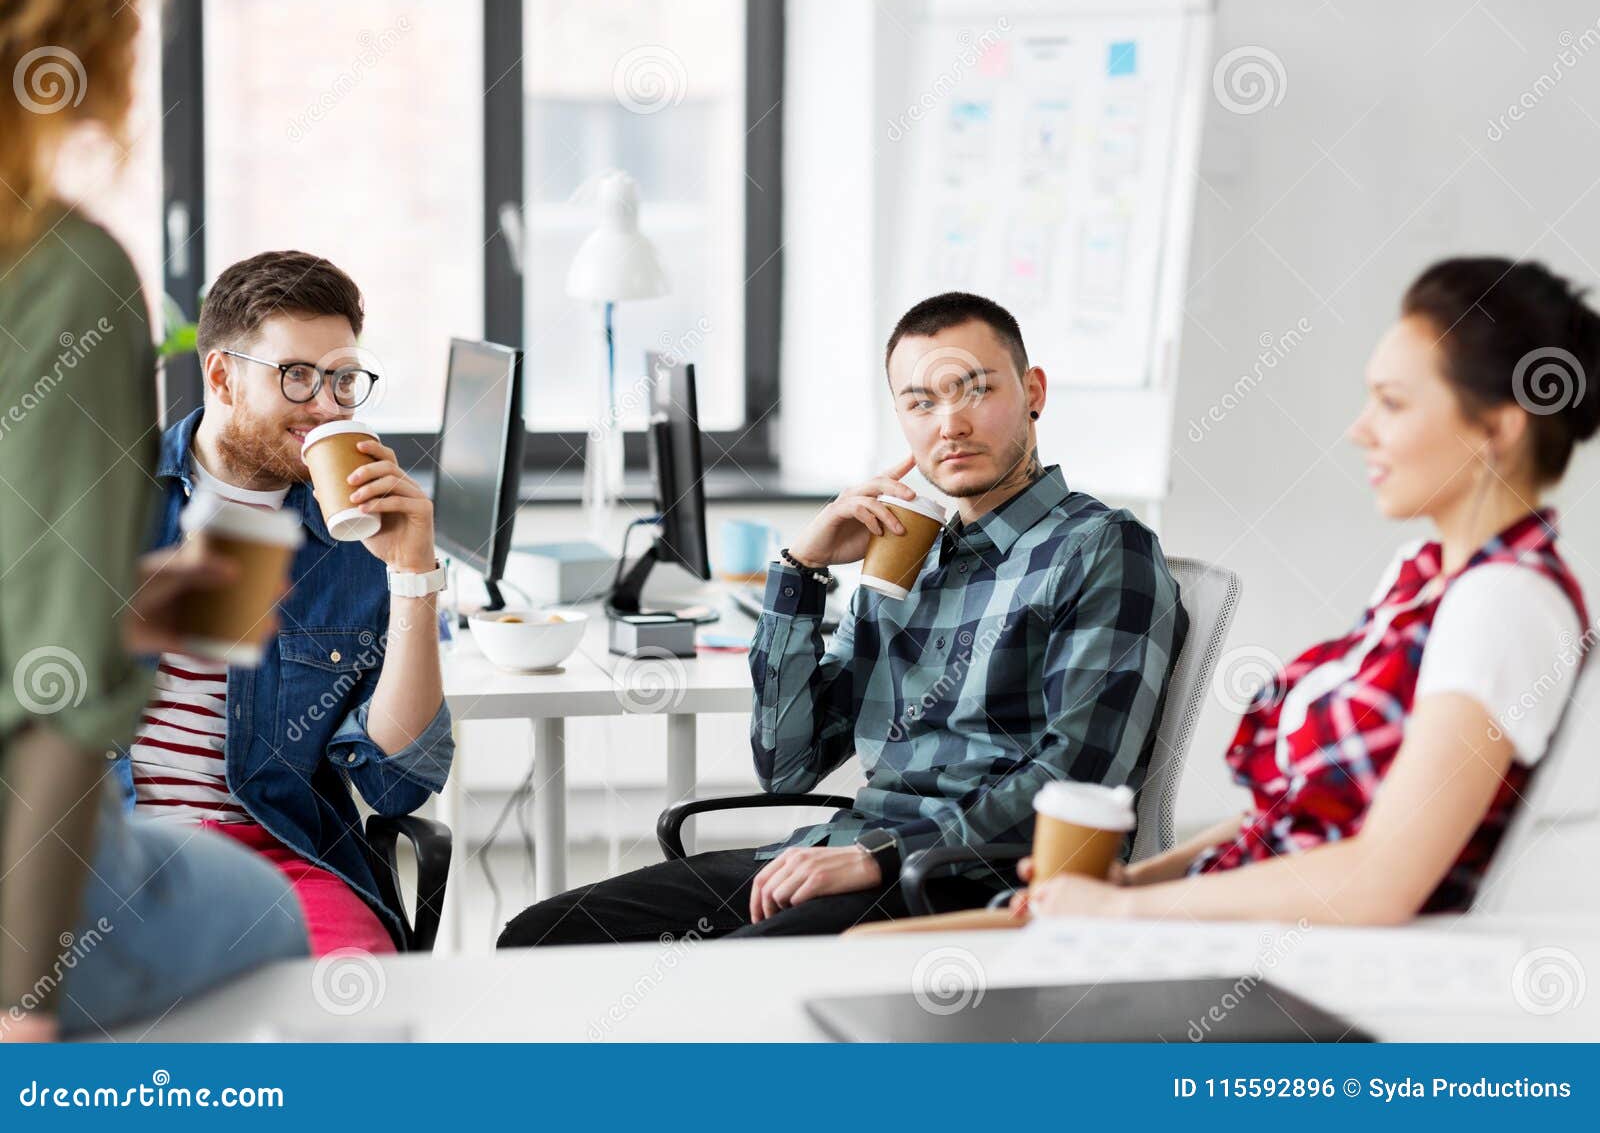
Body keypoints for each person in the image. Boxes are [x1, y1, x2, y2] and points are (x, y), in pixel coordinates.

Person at [499, 292, 1186, 946]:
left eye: (975, 389)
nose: (949, 423)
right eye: (921, 402)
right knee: (540, 937)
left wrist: (884, 853)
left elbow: (1076, 780)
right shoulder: (906, 553)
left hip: (970, 878)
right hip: (847, 850)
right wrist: (801, 571)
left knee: (725, 981)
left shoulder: (1101, 548)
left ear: (1032, 391)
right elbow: (788, 763)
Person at [1018, 257, 1597, 926]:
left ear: (1497, 427)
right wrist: (1128, 886)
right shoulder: (1426, 577)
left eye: (1393, 401)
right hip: (1233, 927)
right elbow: (1288, 818)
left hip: (1291, 968)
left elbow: (1379, 881)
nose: (1360, 429)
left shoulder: (1505, 605)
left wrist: (1124, 913)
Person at [0, 0, 306, 1042]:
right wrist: (22, 1014)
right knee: (264, 910)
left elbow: (403, 762)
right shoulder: (59, 274)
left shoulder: (341, 530)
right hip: (31, 867)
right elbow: (63, 695)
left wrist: (114, 601)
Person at [112, 250, 456, 956]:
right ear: (222, 376)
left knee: (356, 1007)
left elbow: (397, 782)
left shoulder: (362, 536)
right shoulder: (111, 492)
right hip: (108, 844)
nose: (327, 404)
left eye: (343, 379)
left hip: (281, 853)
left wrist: (413, 574)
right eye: (297, 376)